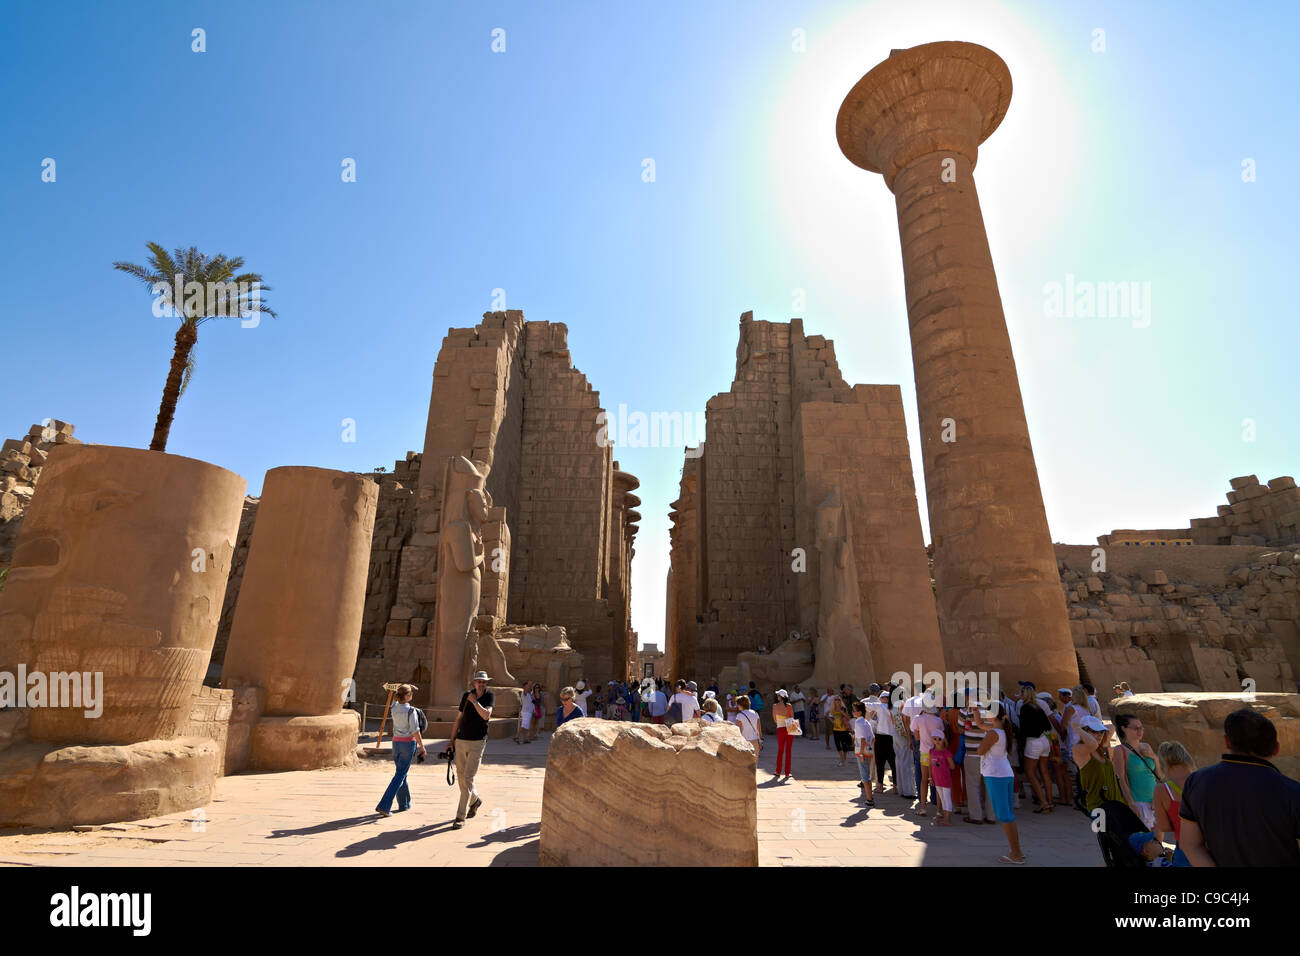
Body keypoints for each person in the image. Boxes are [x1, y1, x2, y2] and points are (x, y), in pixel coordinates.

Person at [1179, 708, 1300, 867]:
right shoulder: (1292, 793)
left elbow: (1190, 845)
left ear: (1227, 742)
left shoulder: (1196, 782)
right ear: (1276, 748)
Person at [976, 702, 1023, 863]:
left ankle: (1016, 853)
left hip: (996, 774)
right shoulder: (1001, 730)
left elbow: (981, 750)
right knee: (1008, 814)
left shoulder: (993, 733)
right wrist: (975, 711)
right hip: (1004, 772)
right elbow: (980, 724)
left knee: (1005, 815)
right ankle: (1016, 851)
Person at [449, 670, 494, 829]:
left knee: (467, 777)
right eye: (479, 681)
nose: (481, 684)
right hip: (461, 740)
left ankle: (460, 817)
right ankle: (475, 800)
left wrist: (474, 702)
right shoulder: (466, 695)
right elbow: (459, 718)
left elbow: (486, 716)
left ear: (486, 683)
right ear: (474, 683)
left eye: (484, 682)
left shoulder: (489, 696)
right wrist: (451, 740)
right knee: (462, 778)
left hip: (477, 742)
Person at [375, 684, 426, 816]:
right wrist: (422, 746)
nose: (412, 695)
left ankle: (404, 804)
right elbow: (415, 731)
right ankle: (384, 805)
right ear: (408, 696)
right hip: (407, 745)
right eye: (411, 693)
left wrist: (405, 686)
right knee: (400, 775)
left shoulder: (394, 707)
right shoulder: (411, 711)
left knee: (401, 773)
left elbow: (395, 695)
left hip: (396, 743)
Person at [1111, 713, 1161, 830]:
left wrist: (1153, 756)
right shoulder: (1120, 750)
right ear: (1124, 729)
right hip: (1138, 801)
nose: (1140, 731)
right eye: (1135, 728)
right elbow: (1121, 779)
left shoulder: (1146, 746)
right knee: (1146, 842)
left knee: (1158, 841)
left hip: (1155, 800)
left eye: (1141, 727)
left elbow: (1159, 774)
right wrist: (1131, 803)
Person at [1153, 740, 1194, 867]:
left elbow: (1164, 827)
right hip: (1210, 845)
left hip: (1184, 847)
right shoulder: (1201, 779)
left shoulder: (1161, 790)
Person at [1072, 715, 1122, 815]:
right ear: (1085, 732)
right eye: (1094, 732)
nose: (1099, 735)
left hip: (1116, 803)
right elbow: (1092, 744)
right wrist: (1077, 728)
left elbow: (1112, 727)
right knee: (1103, 830)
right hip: (1098, 807)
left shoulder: (1099, 748)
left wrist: (1098, 723)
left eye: (1101, 732)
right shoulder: (1079, 749)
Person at [1018, 689, 1053, 813]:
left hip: (1033, 741)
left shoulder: (1025, 708)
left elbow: (1023, 729)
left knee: (1030, 773)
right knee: (1044, 771)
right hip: (1044, 740)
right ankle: (1049, 801)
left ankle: (1043, 803)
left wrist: (1020, 743)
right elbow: (1048, 726)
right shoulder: (1038, 707)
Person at [874, 690, 898, 798]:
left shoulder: (879, 706)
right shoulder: (893, 708)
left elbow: (864, 704)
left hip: (881, 737)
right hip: (891, 737)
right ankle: (896, 787)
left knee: (880, 763)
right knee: (893, 763)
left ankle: (880, 786)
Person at [851, 700, 875, 806]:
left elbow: (862, 739)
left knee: (865, 776)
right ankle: (870, 798)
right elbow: (873, 738)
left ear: (859, 712)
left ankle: (869, 799)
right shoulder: (866, 722)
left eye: (854, 711)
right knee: (867, 775)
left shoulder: (858, 722)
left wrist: (861, 753)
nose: (853, 712)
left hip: (862, 751)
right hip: (869, 750)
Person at [929, 733, 956, 826]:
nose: (937, 741)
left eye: (939, 739)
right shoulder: (931, 752)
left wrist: (943, 766)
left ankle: (948, 818)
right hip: (937, 779)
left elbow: (952, 766)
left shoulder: (946, 753)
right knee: (942, 798)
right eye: (935, 739)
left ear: (944, 740)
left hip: (945, 779)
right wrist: (930, 777)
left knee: (947, 798)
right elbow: (930, 766)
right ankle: (945, 817)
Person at [771, 689, 795, 780]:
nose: (777, 697)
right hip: (789, 729)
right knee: (788, 750)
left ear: (780, 697)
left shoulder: (775, 706)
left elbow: (774, 720)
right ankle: (787, 773)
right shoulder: (789, 706)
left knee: (780, 750)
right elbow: (791, 717)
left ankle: (778, 771)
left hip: (780, 728)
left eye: (778, 695)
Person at [733, 694, 762, 761]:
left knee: (744, 764)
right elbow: (759, 728)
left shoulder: (739, 716)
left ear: (741, 705)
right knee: (754, 764)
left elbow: (739, 731)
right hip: (755, 741)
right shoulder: (755, 713)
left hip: (744, 742)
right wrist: (760, 741)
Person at [828, 695, 852, 767]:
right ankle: (842, 760)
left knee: (844, 746)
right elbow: (830, 717)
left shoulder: (843, 708)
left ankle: (843, 760)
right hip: (836, 730)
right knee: (838, 746)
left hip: (844, 730)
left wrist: (843, 713)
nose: (837, 701)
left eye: (838, 699)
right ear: (834, 701)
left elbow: (848, 718)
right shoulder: (833, 709)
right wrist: (832, 721)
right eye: (836, 700)